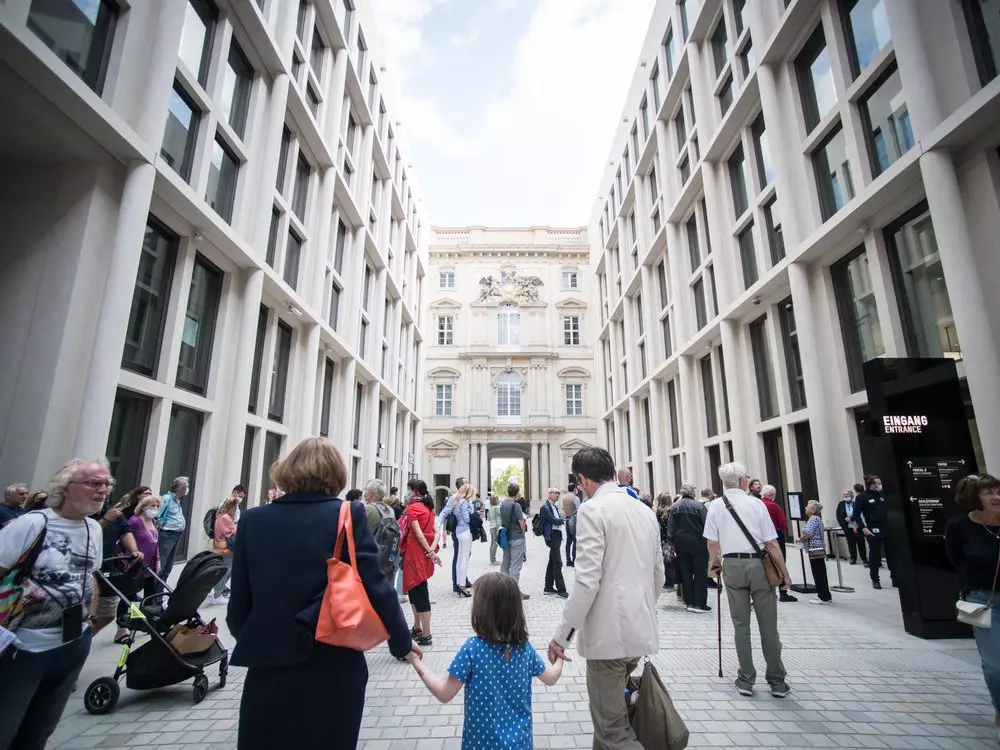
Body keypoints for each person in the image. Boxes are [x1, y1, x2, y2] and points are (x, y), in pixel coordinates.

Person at [227, 437, 417, 749]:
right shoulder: (347, 515)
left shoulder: (253, 520)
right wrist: (401, 642)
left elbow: (239, 605)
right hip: (334, 660)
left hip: (269, 664)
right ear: (336, 475)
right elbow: (376, 586)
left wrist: (260, 638)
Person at [549, 447, 664, 749]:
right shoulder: (644, 510)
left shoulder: (592, 510)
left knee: (612, 731)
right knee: (609, 721)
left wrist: (561, 637)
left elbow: (587, 582)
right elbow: (658, 576)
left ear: (582, 480)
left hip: (608, 638)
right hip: (638, 631)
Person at [0, 458, 107, 750]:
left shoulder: (93, 529)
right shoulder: (31, 524)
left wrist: (90, 620)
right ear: (66, 487)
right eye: (93, 483)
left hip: (73, 643)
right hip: (23, 647)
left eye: (106, 484)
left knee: (41, 727)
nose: (103, 490)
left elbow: (91, 576)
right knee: (6, 725)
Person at [405, 572, 563, 747]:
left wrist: (415, 660)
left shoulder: (473, 650)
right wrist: (559, 657)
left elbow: (444, 693)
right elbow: (551, 677)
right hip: (520, 743)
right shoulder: (524, 649)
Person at [705, 462, 792, 698]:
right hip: (759, 564)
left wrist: (715, 567)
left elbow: (712, 543)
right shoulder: (756, 504)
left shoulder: (715, 506)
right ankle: (776, 680)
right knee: (768, 625)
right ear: (743, 481)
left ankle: (746, 679)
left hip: (732, 565)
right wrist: (784, 572)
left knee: (740, 625)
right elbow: (771, 542)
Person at [946, 474, 1000, 740]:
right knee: (995, 664)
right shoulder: (959, 526)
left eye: (998, 491)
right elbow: (956, 558)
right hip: (984, 599)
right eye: (988, 492)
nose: (996, 497)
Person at [91, 489, 145, 642]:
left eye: (106, 491)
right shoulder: (82, 515)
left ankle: (82, 640)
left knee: (107, 613)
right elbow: (87, 534)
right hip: (86, 569)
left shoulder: (113, 512)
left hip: (107, 567)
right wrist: (105, 520)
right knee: (86, 612)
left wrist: (134, 551)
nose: (103, 494)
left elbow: (125, 532)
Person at [401, 480, 441, 647]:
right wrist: (431, 551)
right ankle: (418, 627)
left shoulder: (412, 509)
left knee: (418, 591)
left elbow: (417, 534)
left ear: (415, 491)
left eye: (409, 490)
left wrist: (430, 552)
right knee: (416, 590)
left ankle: (426, 634)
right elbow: (437, 532)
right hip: (423, 554)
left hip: (414, 554)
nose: (407, 493)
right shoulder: (430, 509)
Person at [667, 482, 710, 613]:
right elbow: (707, 524)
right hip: (699, 544)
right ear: (692, 493)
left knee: (686, 573)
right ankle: (700, 603)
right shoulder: (699, 506)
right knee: (700, 573)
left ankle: (689, 602)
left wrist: (671, 543)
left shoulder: (674, 507)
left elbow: (670, 527)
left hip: (681, 545)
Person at [123, 493, 161, 622]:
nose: (155, 509)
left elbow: (155, 542)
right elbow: (124, 538)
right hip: (136, 562)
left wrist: (158, 559)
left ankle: (149, 619)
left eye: (157, 506)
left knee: (151, 591)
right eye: (152, 506)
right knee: (129, 593)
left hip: (150, 562)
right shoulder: (135, 521)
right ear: (144, 507)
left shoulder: (153, 521)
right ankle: (125, 622)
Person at [855, 474, 896, 589]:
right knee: (875, 555)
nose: (880, 485)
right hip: (872, 528)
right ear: (872, 485)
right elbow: (856, 514)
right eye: (878, 484)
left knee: (891, 554)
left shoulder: (882, 494)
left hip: (886, 526)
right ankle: (875, 579)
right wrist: (863, 527)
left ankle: (895, 578)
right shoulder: (862, 497)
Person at [760, 485, 797, 603]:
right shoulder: (773, 506)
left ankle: (769, 590)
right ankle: (783, 591)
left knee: (766, 562)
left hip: (761, 537)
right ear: (773, 495)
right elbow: (782, 523)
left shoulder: (759, 504)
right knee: (779, 560)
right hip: (775, 535)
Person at [155, 476, 189, 587]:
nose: (187, 489)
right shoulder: (167, 498)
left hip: (176, 536)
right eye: (185, 486)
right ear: (179, 487)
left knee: (168, 567)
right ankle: (154, 596)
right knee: (161, 565)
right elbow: (157, 514)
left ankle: (159, 596)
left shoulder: (177, 501)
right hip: (167, 535)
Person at [436, 477, 467, 593]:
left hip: (467, 532)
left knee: (465, 557)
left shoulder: (467, 498)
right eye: (466, 483)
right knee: (459, 556)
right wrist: (437, 525)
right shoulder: (454, 498)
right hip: (458, 532)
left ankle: (463, 579)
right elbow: (445, 511)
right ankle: (456, 583)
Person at [444, 483, 475, 598]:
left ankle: (458, 584)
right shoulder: (464, 502)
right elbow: (467, 519)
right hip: (465, 531)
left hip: (458, 531)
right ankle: (462, 585)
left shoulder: (456, 501)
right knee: (464, 559)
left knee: (459, 559)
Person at [798, 500, 831, 605]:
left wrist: (800, 539)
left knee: (818, 573)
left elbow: (808, 533)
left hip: (814, 548)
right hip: (817, 548)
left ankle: (823, 596)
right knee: (820, 571)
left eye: (807, 507)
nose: (805, 508)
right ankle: (825, 594)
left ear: (813, 510)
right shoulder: (817, 519)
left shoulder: (813, 519)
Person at [208, 494, 239, 606]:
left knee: (227, 571)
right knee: (225, 571)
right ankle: (217, 595)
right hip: (226, 548)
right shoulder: (225, 518)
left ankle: (218, 593)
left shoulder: (222, 516)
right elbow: (231, 532)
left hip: (224, 547)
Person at [500, 483, 529, 598]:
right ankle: (513, 592)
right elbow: (521, 522)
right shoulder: (516, 506)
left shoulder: (502, 505)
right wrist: (523, 533)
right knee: (515, 566)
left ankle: (502, 589)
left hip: (506, 537)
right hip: (517, 537)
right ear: (517, 493)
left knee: (505, 563)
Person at [540, 488, 569, 599]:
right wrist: (562, 520)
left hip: (556, 534)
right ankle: (561, 590)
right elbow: (554, 520)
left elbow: (557, 519)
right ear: (550, 494)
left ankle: (548, 587)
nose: (557, 495)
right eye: (555, 493)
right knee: (557, 561)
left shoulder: (554, 507)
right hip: (551, 536)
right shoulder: (545, 508)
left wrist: (561, 520)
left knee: (552, 561)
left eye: (558, 493)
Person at [837, 487, 868, 565]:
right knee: (851, 543)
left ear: (851, 495)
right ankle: (853, 558)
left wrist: (852, 519)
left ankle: (864, 558)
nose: (845, 496)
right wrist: (843, 525)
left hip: (858, 526)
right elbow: (838, 515)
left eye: (847, 494)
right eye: (844, 495)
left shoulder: (856, 502)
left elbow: (860, 513)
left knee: (861, 543)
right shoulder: (841, 504)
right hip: (847, 527)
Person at [655, 493, 675, 591]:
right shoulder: (672, 511)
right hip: (670, 539)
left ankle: (666, 581)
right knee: (670, 561)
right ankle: (670, 582)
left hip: (662, 539)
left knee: (665, 561)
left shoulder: (658, 511)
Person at [563, 491, 580, 567]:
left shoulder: (564, 498)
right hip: (574, 520)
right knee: (575, 540)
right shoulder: (575, 498)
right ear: (574, 489)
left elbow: (563, 508)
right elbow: (579, 509)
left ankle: (568, 560)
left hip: (567, 520)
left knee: (568, 541)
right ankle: (574, 560)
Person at [487, 494, 502, 566]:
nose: (499, 500)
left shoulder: (491, 508)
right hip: (496, 527)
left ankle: (491, 559)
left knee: (492, 544)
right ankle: (493, 561)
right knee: (495, 544)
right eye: (498, 499)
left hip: (491, 527)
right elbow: (502, 515)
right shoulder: (497, 507)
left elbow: (488, 519)